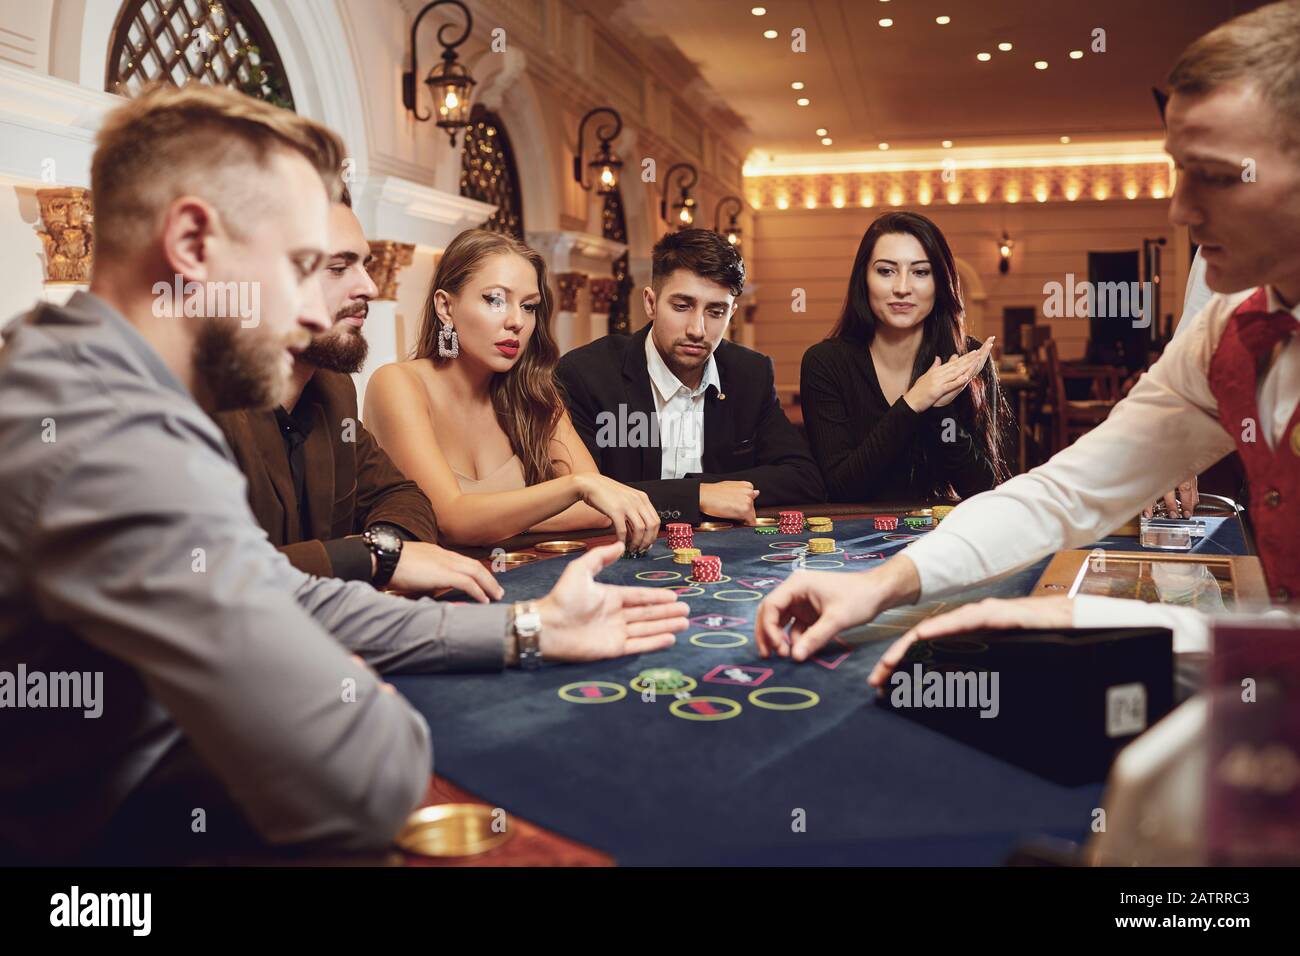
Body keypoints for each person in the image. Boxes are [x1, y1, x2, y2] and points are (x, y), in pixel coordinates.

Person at [0, 83, 687, 864]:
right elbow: (369, 780)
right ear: (193, 246)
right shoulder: (101, 430)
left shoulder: (90, 376)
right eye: (303, 260)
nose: (352, 290)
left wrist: (528, 627)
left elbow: (284, 594)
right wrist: (351, 695)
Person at [755, 0, 1300, 675]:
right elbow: (1064, 492)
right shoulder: (1226, 335)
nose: (1180, 210)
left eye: (1215, 176)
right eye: (1178, 171)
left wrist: (1087, 615)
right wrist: (877, 586)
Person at [215, 190, 502, 602]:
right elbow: (214, 574)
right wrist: (371, 558)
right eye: (337, 268)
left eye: (365, 265)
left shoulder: (333, 390)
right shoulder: (188, 403)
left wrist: (386, 549)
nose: (368, 286)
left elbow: (401, 497)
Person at [363, 230, 662, 553]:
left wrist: (486, 516)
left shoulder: (535, 395)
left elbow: (597, 508)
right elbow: (449, 520)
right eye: (494, 300)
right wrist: (574, 487)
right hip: (426, 597)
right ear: (445, 307)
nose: (517, 321)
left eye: (529, 306)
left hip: (517, 583)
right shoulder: (397, 384)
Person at [557, 228, 825, 525]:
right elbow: (583, 498)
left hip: (723, 552)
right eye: (682, 306)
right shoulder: (587, 374)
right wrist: (696, 495)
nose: (697, 329)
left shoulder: (750, 373)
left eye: (715, 311)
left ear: (732, 313)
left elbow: (803, 478)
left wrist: (705, 488)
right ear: (651, 303)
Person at [800, 212, 1003, 503]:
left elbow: (981, 489)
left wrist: (941, 410)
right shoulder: (825, 363)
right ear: (864, 279)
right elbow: (843, 488)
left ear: (940, 283)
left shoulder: (966, 359)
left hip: (942, 538)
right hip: (853, 539)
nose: (903, 288)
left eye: (920, 272)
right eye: (886, 271)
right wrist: (914, 402)